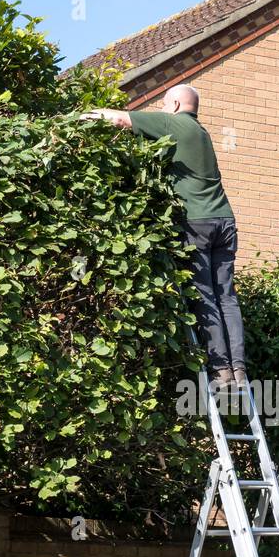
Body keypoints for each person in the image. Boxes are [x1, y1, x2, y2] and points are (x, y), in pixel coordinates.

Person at [81, 84, 246, 387]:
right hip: (225, 221)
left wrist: (81, 117)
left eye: (162, 104)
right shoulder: (202, 132)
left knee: (205, 295)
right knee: (227, 297)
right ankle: (238, 369)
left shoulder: (174, 122)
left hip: (197, 223)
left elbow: (119, 119)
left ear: (173, 104)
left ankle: (221, 372)